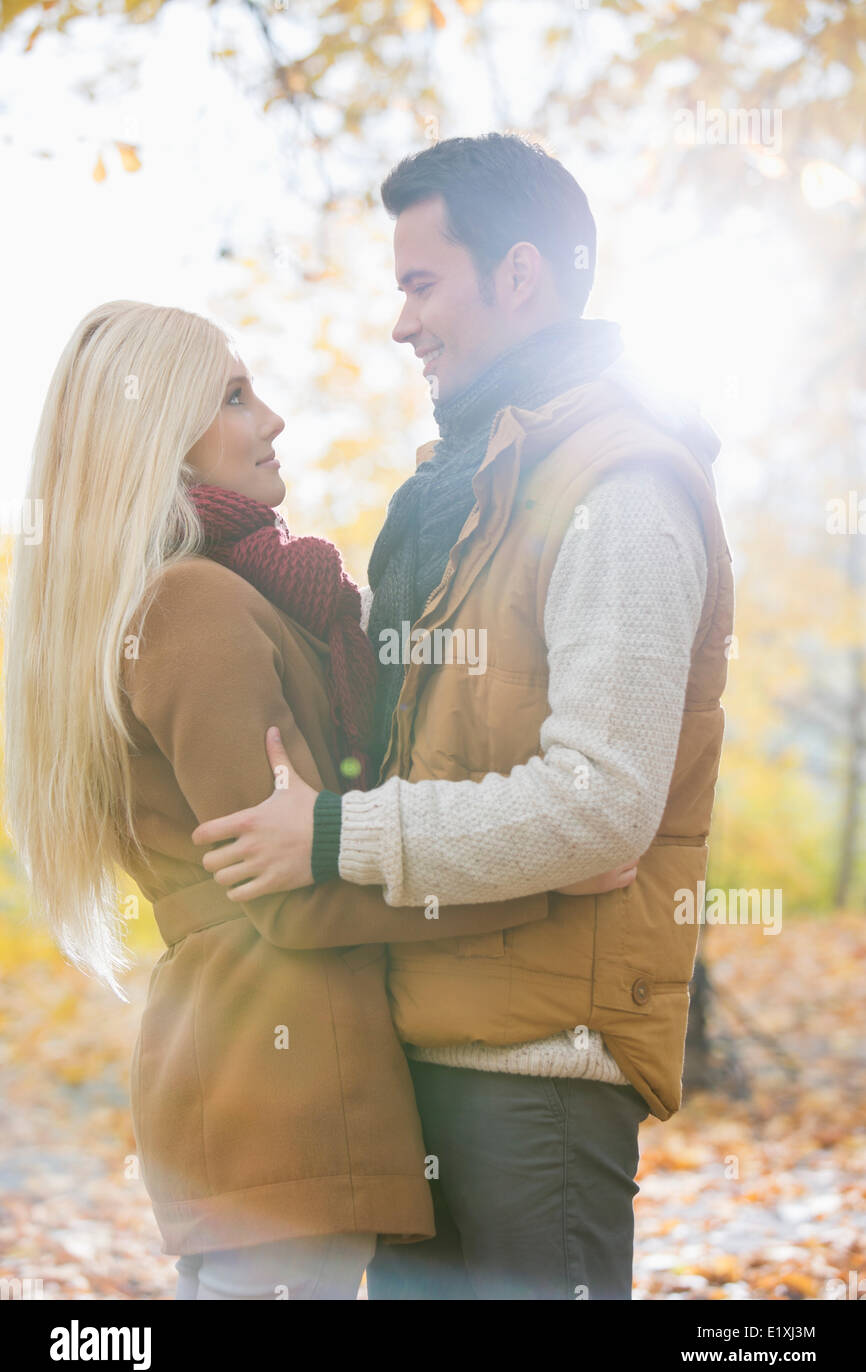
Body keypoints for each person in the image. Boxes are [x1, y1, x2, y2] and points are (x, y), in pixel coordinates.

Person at [190, 134, 735, 1300]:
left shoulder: (619, 490)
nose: (400, 322)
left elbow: (599, 805)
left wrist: (332, 836)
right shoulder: (464, 493)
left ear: (520, 275)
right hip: (415, 1068)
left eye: (420, 283)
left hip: (535, 1091)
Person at [2, 297, 633, 1300]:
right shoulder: (191, 606)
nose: (274, 420)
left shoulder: (210, 590)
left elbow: (315, 841)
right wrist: (547, 878)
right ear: (158, 434)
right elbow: (294, 880)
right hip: (277, 1093)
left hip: (270, 1085)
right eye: (235, 396)